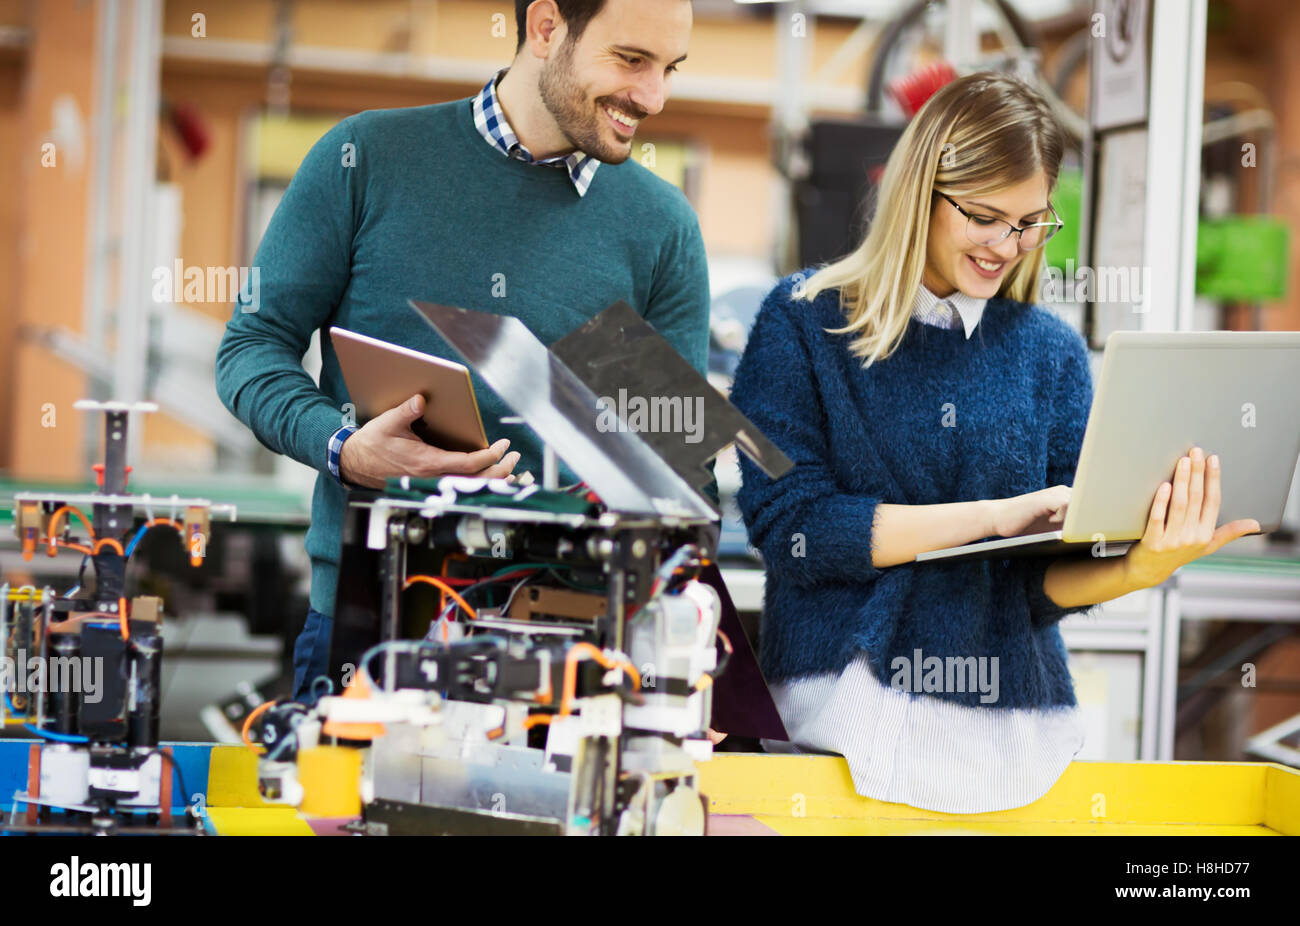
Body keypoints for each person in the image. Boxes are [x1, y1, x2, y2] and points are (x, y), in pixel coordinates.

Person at [728, 72, 1260, 813]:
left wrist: (1142, 566)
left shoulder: (1050, 354)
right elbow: (793, 531)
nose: (1008, 245)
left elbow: (1039, 591)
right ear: (920, 194)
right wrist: (992, 517)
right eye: (984, 216)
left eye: (1032, 222)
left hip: (1017, 745)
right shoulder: (800, 322)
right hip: (839, 731)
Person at [216, 0, 707, 702]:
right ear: (545, 29)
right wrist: (343, 448)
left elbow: (680, 469)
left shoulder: (662, 229)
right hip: (370, 625)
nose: (653, 96)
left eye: (670, 69)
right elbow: (252, 348)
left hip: (575, 652)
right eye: (632, 60)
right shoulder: (366, 160)